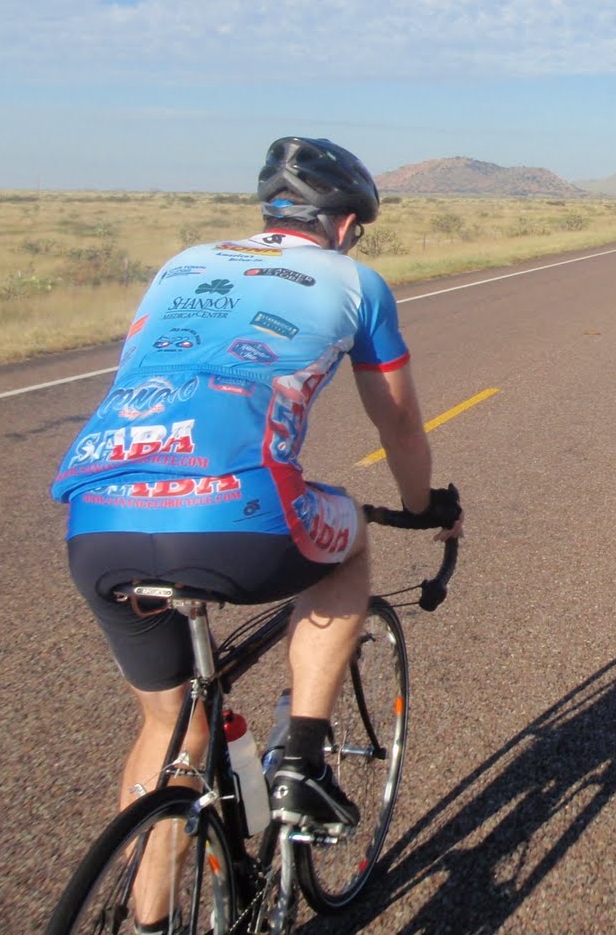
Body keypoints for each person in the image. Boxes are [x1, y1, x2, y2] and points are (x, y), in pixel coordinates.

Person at [54, 137, 462, 850]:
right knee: (350, 541)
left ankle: (150, 920)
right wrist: (425, 504)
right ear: (341, 224)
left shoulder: (181, 265)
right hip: (237, 516)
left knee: (172, 729)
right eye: (356, 228)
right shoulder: (354, 281)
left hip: (97, 517)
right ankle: (302, 755)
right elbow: (395, 418)